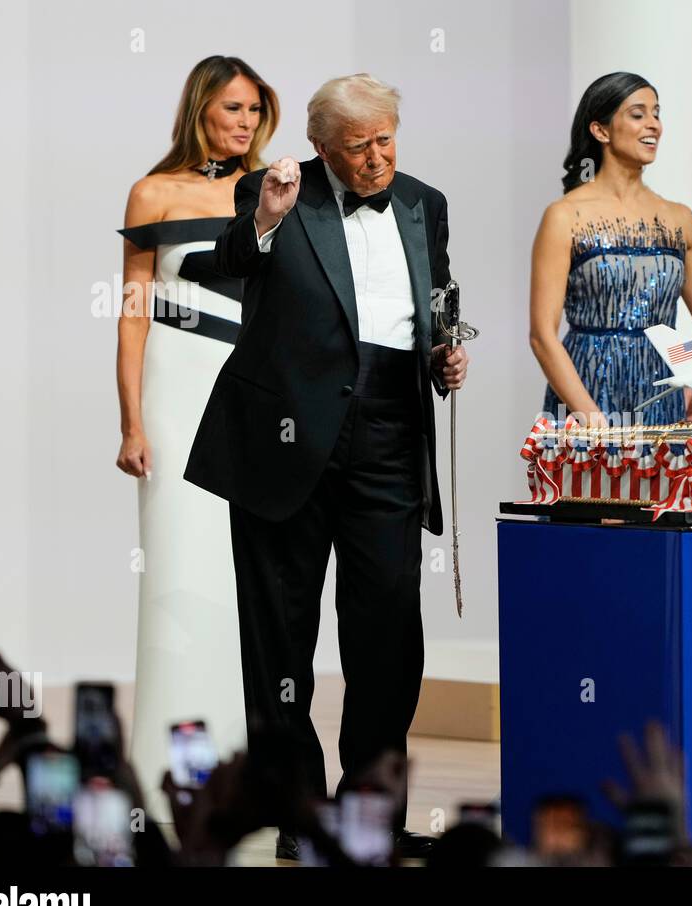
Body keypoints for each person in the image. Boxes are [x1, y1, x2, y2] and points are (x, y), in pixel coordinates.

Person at [183, 74, 469, 860]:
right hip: (287, 435)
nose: (377, 159)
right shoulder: (272, 189)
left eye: (386, 140)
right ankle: (299, 816)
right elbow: (222, 263)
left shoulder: (423, 200)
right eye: (358, 146)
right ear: (321, 146)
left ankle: (370, 814)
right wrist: (268, 220)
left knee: (387, 632)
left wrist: (445, 353)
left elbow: (435, 296)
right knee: (280, 639)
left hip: (389, 430)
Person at [115, 55, 279, 815]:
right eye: (232, 108)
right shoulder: (154, 192)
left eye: (254, 110)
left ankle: (250, 772)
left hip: (255, 394)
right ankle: (164, 767)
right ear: (201, 110)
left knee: (252, 576)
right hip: (176, 394)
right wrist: (132, 421)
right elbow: (133, 310)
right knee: (181, 563)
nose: (244, 122)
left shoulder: (276, 191)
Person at [530, 73, 692, 428]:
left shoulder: (680, 219)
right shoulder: (564, 217)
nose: (654, 125)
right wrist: (592, 420)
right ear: (600, 131)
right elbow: (542, 336)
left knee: (661, 485)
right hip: (584, 398)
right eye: (638, 113)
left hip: (660, 397)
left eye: (657, 113)